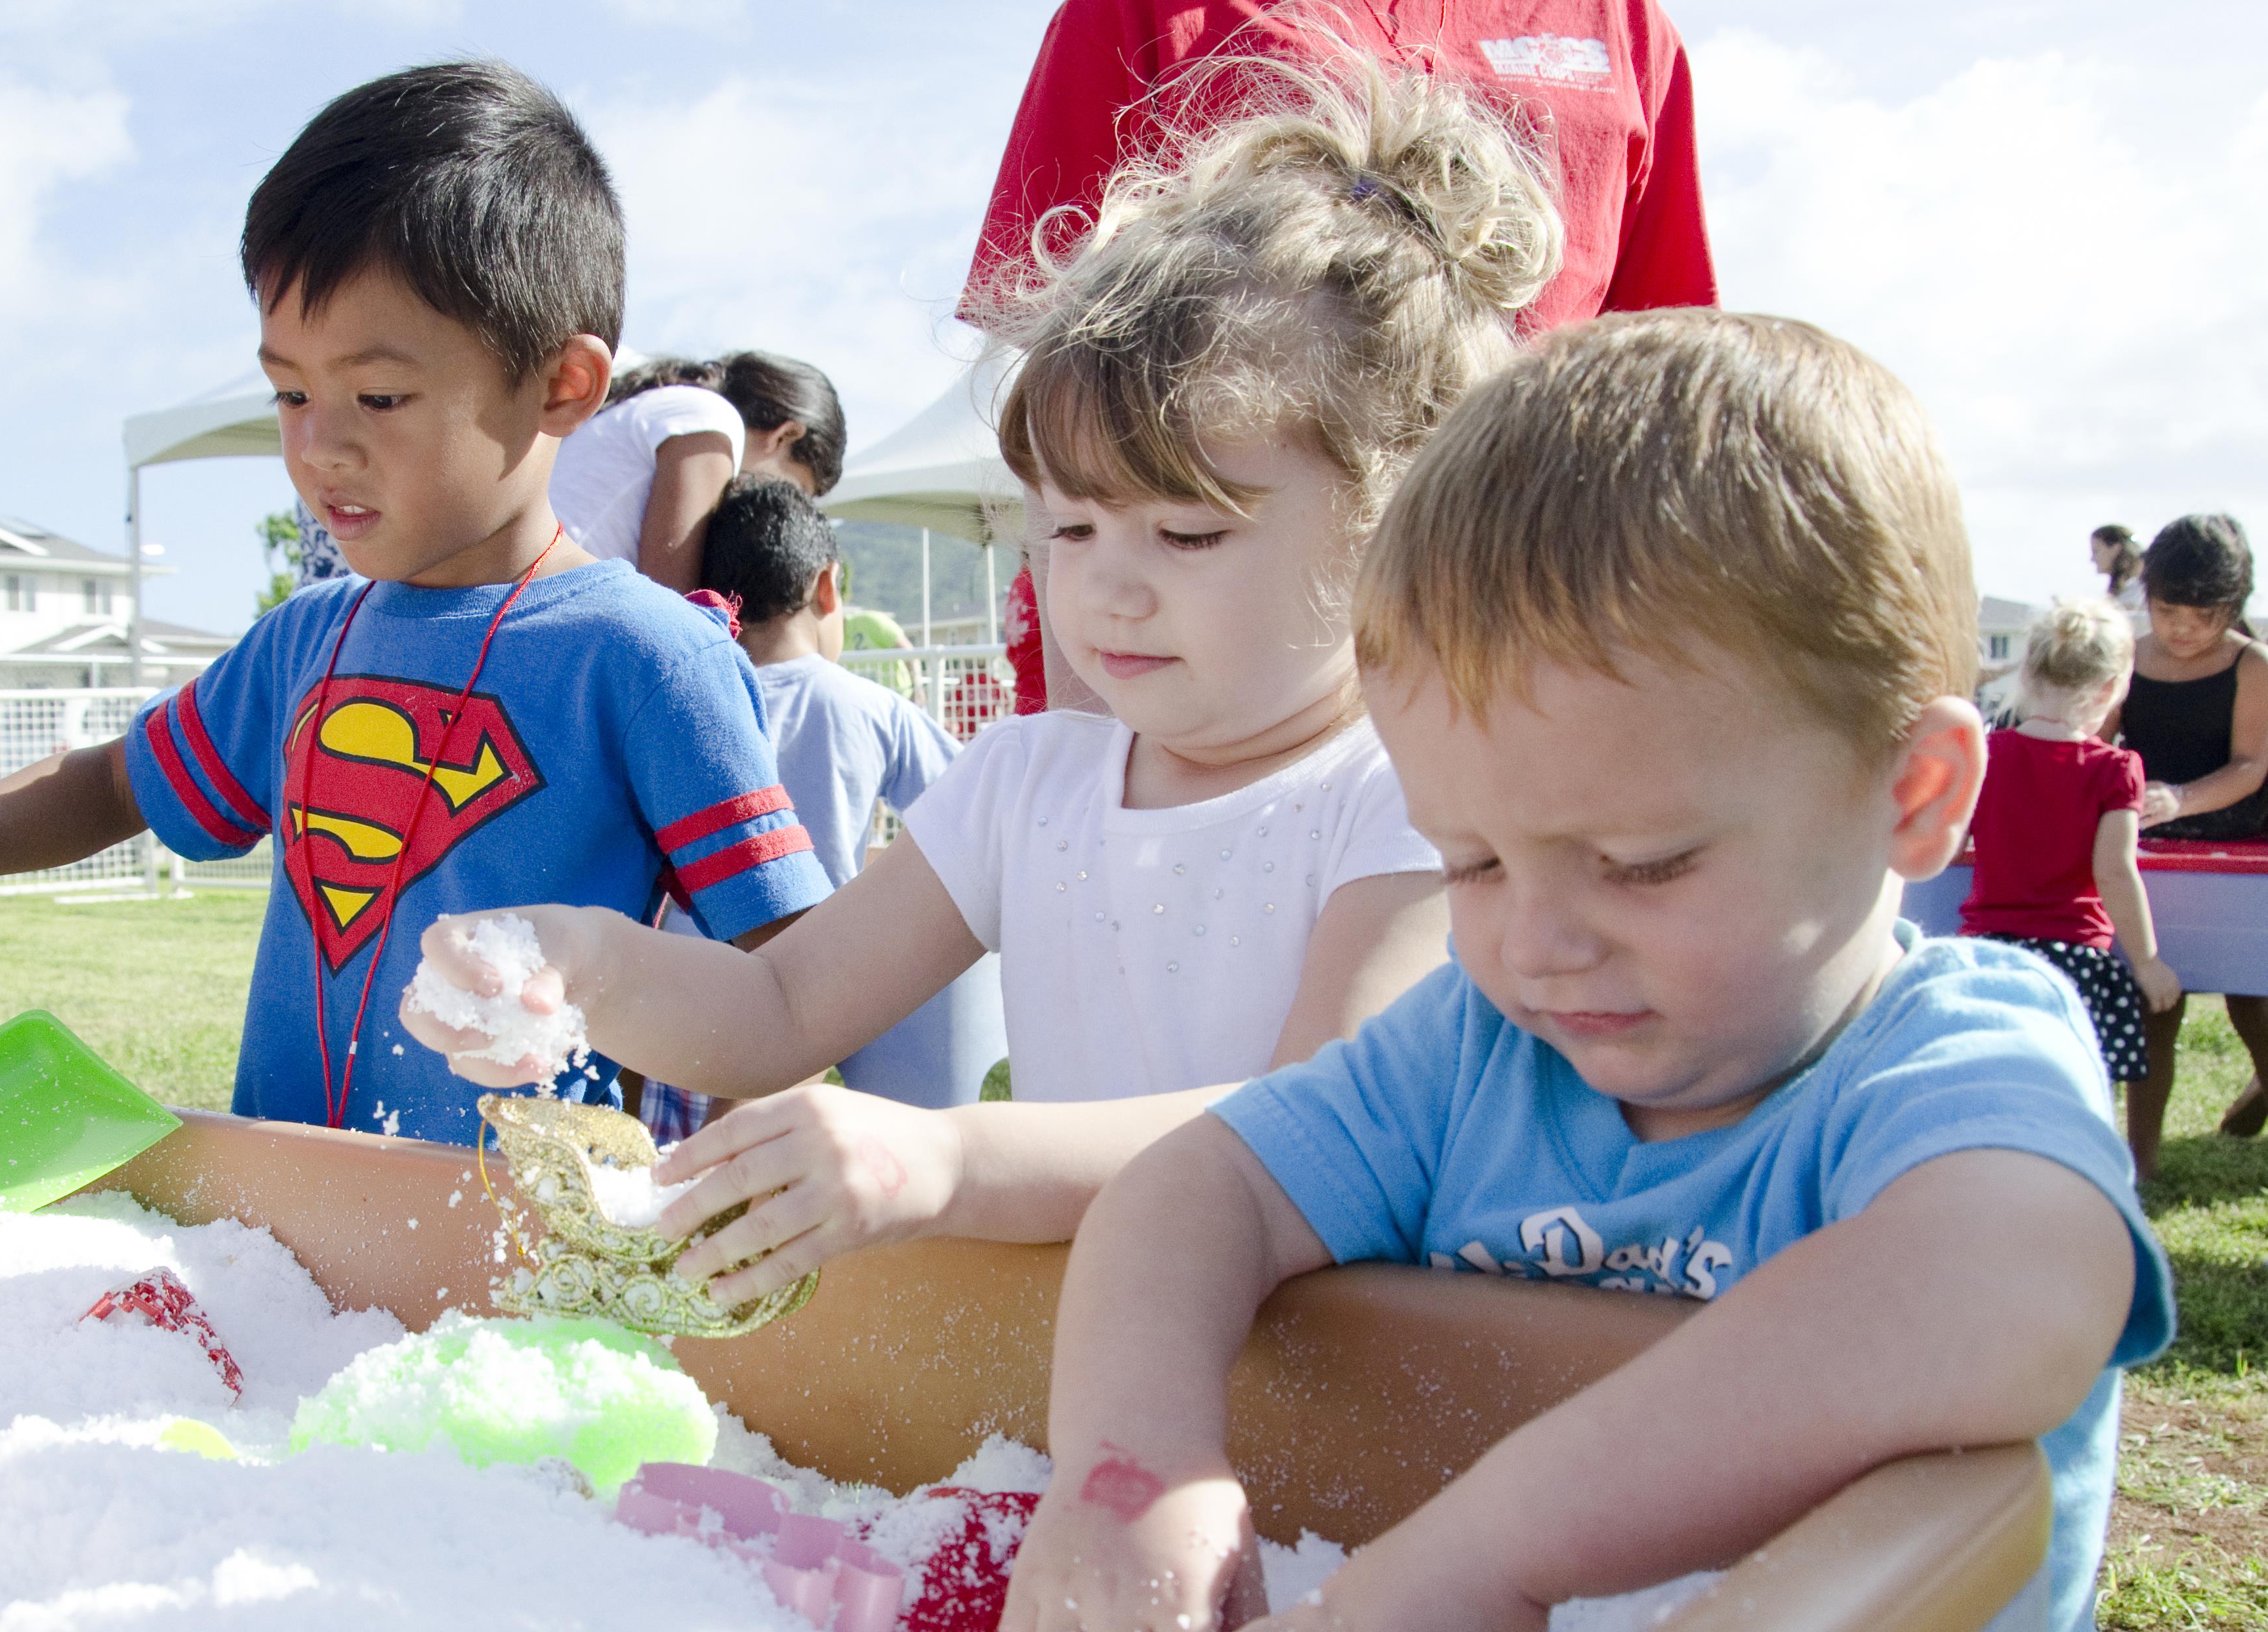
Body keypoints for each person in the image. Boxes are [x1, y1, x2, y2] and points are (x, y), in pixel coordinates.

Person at [991, 312, 2171, 1632]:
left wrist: (1502, 1541)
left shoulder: (1949, 1056)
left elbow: (2001, 1299)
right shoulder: (1470, 1053)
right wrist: (1136, 1458)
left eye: (1637, 864)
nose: (1536, 942)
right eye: (1467, 859)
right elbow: (1191, 1189)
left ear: (1915, 792)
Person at [402, 61, 1544, 1305]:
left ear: (1399, 521)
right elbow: (781, 1002)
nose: (1107, 589)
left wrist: (948, 1157)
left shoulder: (1413, 796)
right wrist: (584, 962)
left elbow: (1313, 1130)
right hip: (1097, 1363)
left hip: (1349, 1392)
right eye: (1066, 530)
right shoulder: (1027, 782)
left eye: (1188, 534)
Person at [0, 60, 828, 1148]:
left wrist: (728, 1199)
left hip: (526, 1264)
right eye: (289, 391)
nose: (321, 445)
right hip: (286, 1231)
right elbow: (112, 780)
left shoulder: (646, 653)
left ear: (560, 382)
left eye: (378, 396)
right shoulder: (304, 640)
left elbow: (789, 978)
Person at [968, 0, 1722, 713]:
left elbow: (1657, 397)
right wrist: (1084, 764)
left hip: (1523, 664)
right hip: (1187, 709)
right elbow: (1062, 375)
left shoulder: (1622, 24)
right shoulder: (1139, 11)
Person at [651, 475, 1007, 1127]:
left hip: (684, 988)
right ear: (825, 587)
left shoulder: (685, 706)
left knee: (682, 1171)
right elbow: (976, 818)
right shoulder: (869, 707)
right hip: (817, 982)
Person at [1960, 598, 2181, 1172]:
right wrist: (2149, 960)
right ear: (2111, 687)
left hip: (1989, 954)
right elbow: (2114, 869)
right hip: (2074, 962)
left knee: (1993, 1084)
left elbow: (1958, 836)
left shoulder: (1988, 754)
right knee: (2082, 1089)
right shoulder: (2113, 769)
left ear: (2028, 674)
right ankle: (2080, 1181)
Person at [2114, 513, 2268, 1145]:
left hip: (2238, 840)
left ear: (2232, 607)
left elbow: (2251, 764)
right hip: (2151, 844)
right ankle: (2141, 1159)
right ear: (2146, 598)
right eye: (2168, 611)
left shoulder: (2252, 664)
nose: (2182, 629)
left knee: (2252, 996)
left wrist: (2181, 798)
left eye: (2203, 617)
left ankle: (2263, 1082)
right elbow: (2091, 746)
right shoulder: (2123, 656)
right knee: (2158, 998)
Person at [547, 352, 849, 594]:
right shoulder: (710, 418)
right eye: (791, 491)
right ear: (786, 435)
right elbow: (670, 605)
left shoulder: (660, 403)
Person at [2092, 523, 2145, 612]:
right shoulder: (2128, 588)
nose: (2092, 559)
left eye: (2096, 551)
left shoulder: (2143, 587)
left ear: (2116, 548)